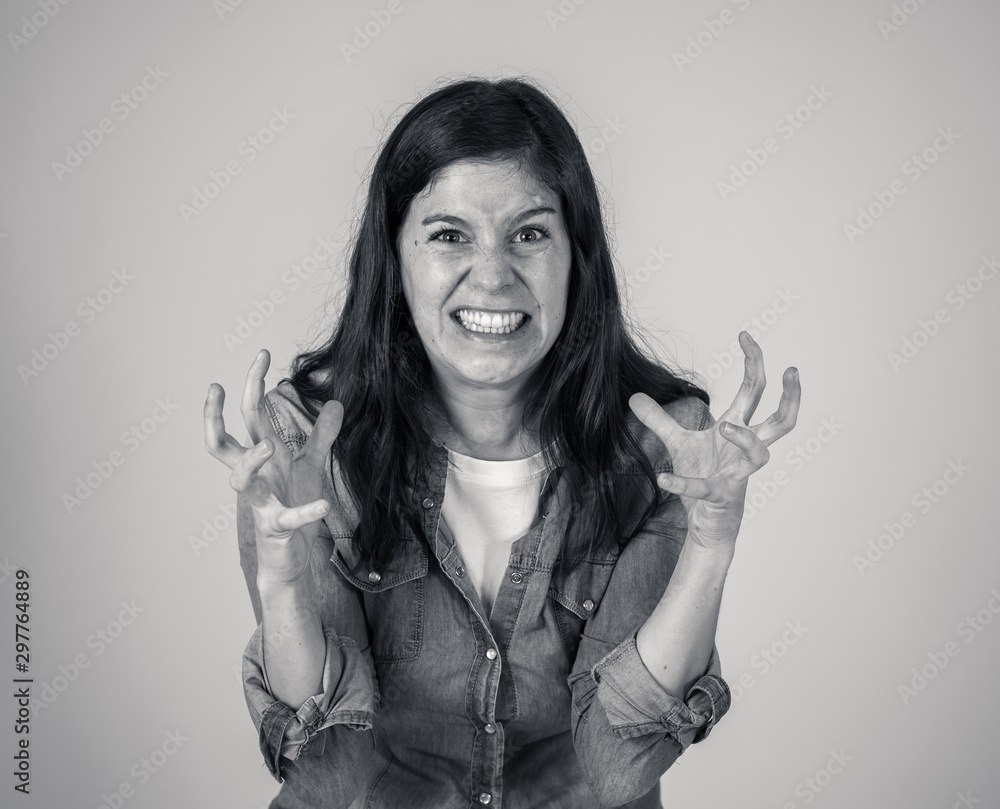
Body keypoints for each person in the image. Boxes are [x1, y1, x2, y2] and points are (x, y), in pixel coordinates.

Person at [203, 77, 800, 809]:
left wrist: (709, 544)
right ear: (394, 258)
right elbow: (328, 772)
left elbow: (618, 766)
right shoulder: (304, 445)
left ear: (576, 256)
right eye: (449, 235)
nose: (492, 275)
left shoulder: (662, 449)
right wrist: (282, 579)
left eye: (529, 233)